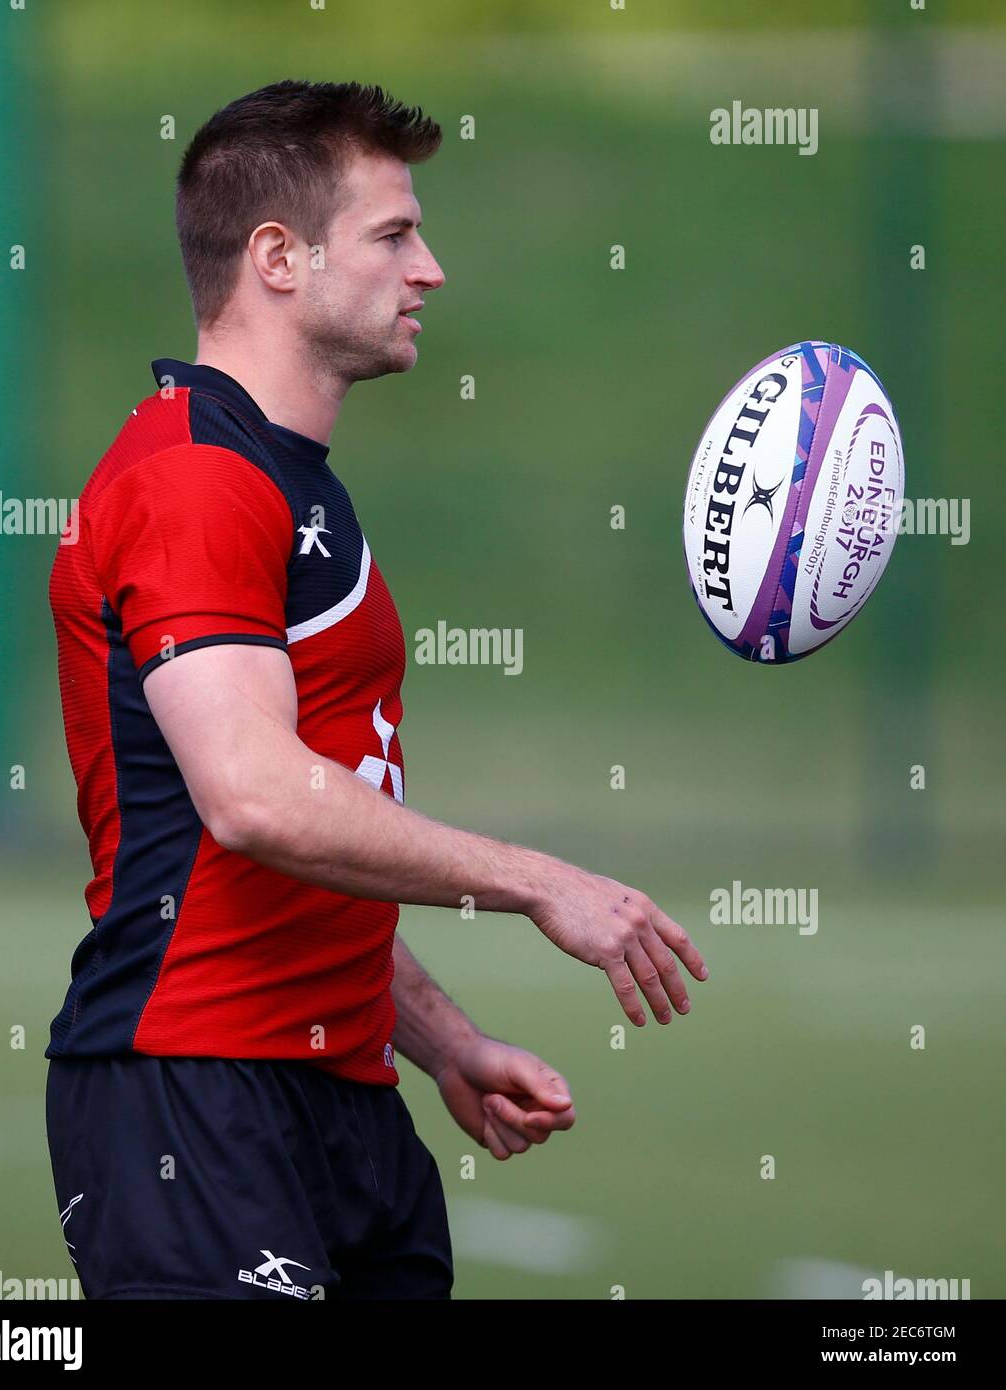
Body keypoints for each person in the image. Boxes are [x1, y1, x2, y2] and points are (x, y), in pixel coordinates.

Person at [44, 78, 708, 1301]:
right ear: (277, 258)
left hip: (338, 1096)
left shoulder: (292, 485)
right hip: (193, 1096)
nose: (431, 269)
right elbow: (252, 797)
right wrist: (543, 883)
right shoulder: (195, 480)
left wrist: (443, 1041)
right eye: (394, 235)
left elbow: (307, 835)